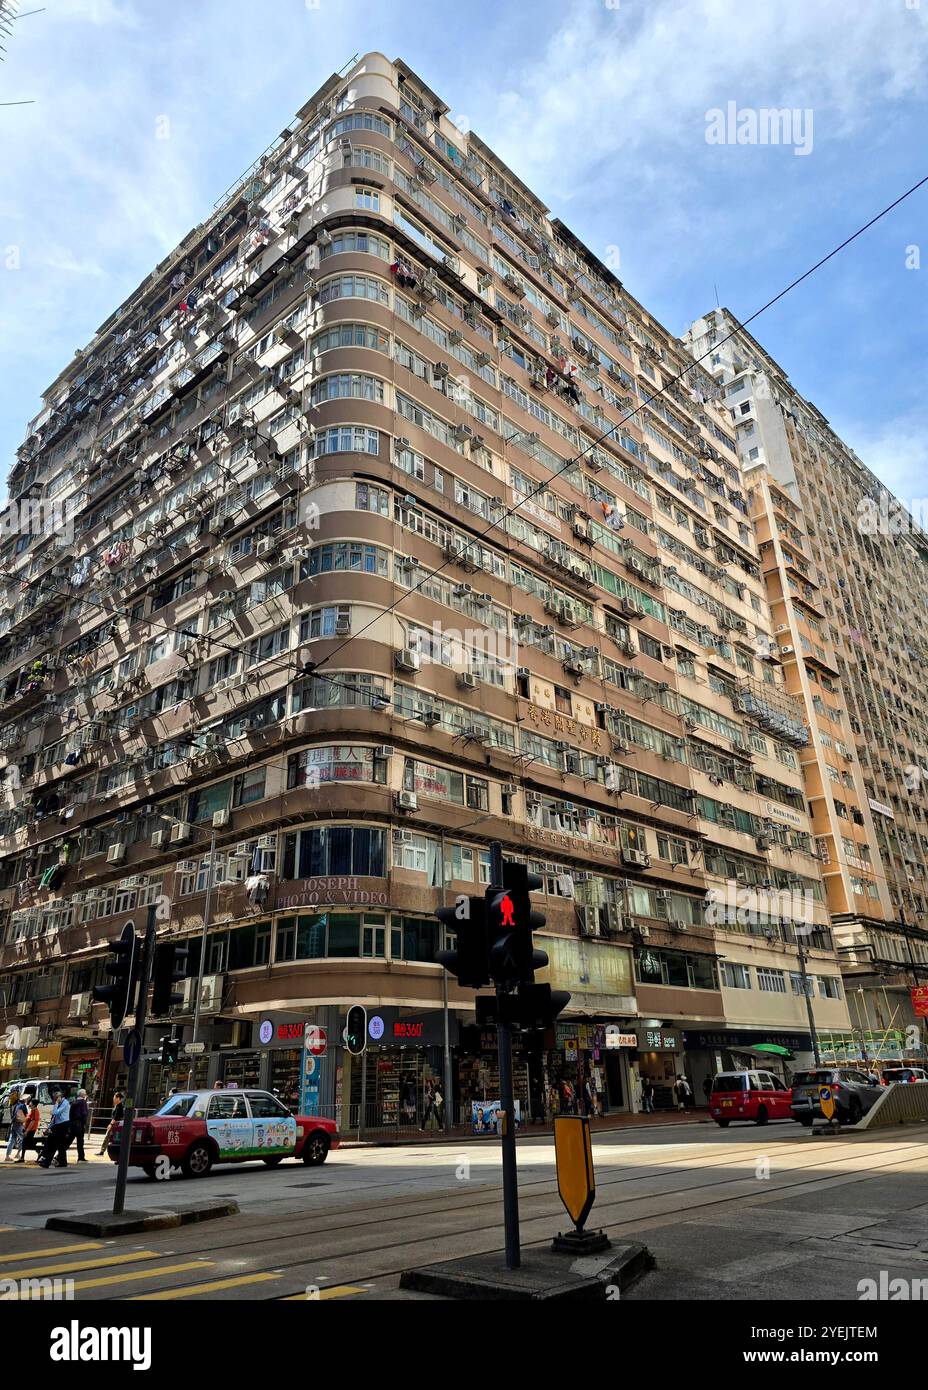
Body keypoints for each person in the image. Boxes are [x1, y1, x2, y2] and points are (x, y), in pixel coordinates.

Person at [38, 1089, 71, 1168]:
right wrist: (49, 1127)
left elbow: (55, 1113)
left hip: (62, 1125)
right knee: (61, 1146)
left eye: (55, 1098)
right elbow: (55, 1118)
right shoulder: (60, 1103)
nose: (54, 1100)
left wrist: (56, 1103)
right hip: (58, 1125)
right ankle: (63, 1162)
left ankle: (46, 1162)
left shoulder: (65, 1103)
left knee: (53, 1144)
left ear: (59, 1097)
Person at [97, 1090, 124, 1156]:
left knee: (107, 1137)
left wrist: (111, 1124)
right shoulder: (117, 1105)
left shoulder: (119, 1106)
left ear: (118, 1098)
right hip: (116, 1124)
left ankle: (102, 1151)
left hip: (115, 1124)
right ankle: (102, 1151)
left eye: (114, 1097)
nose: (113, 1099)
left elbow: (116, 1117)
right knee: (111, 1137)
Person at [17, 1096, 41, 1162]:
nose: (29, 1103)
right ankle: (22, 1158)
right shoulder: (32, 1110)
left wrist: (26, 1131)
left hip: (31, 1130)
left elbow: (32, 1122)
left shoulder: (35, 1111)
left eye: (30, 1102)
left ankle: (40, 1152)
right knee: (25, 1144)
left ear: (33, 1104)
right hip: (28, 1129)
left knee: (29, 1144)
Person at [68, 1088, 89, 1162]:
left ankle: (60, 1154)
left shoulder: (74, 1102)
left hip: (73, 1124)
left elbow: (70, 1114)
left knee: (69, 1140)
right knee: (80, 1142)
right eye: (85, 1093)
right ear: (83, 1095)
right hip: (80, 1124)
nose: (85, 1095)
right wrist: (85, 1123)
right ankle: (81, 1157)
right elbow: (84, 1113)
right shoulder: (83, 1102)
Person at [4, 1089, 25, 1161]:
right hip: (19, 1124)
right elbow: (23, 1115)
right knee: (23, 1138)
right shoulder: (21, 1104)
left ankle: (7, 1156)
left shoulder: (11, 1103)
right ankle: (18, 1154)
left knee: (12, 1139)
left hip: (13, 1123)